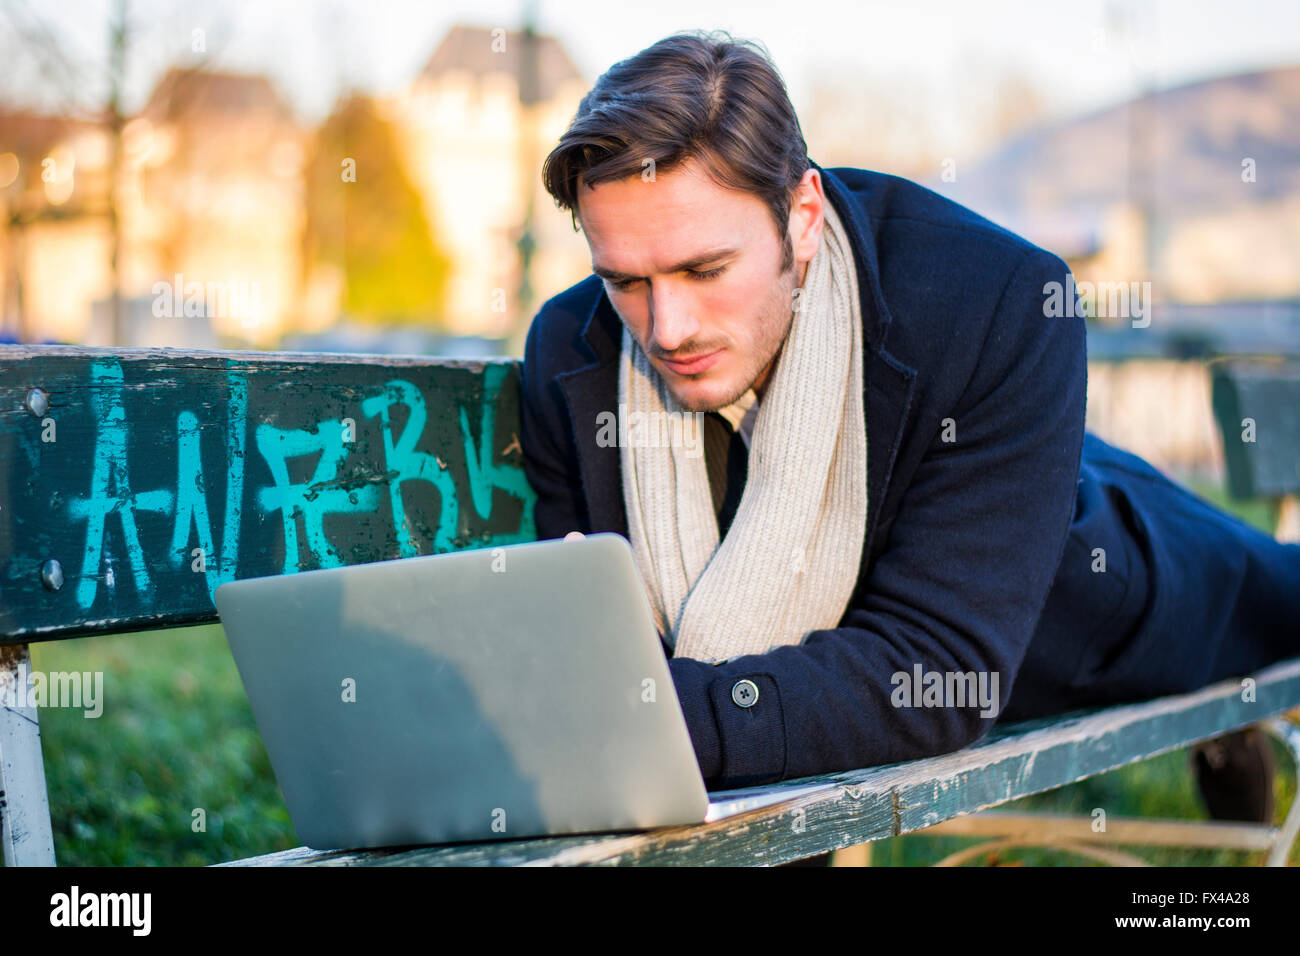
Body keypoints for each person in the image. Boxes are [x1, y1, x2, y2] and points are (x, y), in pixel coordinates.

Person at [518, 31, 1300, 835]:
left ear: (804, 217)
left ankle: (1233, 723)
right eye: (625, 281)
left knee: (1274, 596)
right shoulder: (568, 353)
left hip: (1067, 588)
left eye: (705, 270)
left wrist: (637, 713)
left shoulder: (993, 299)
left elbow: (933, 668)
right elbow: (608, 642)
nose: (668, 328)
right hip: (908, 564)